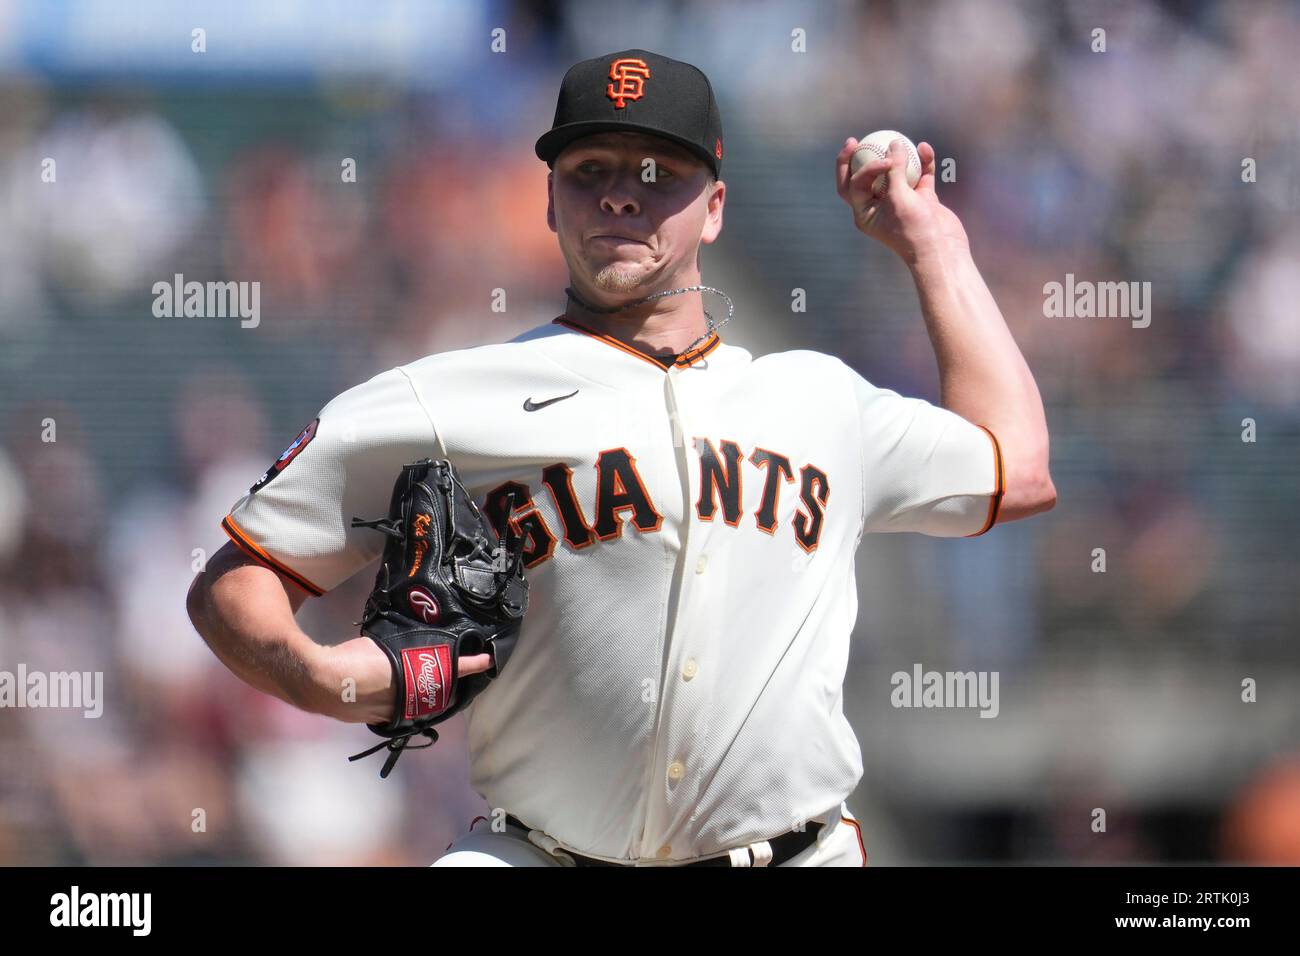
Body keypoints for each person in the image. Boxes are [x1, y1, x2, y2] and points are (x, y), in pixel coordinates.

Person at [186, 48, 1055, 867]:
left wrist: (934, 243)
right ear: (550, 201)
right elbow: (234, 583)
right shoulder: (443, 397)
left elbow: (1016, 469)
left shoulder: (821, 400)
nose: (619, 198)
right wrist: (324, 680)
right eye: (589, 173)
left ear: (715, 207)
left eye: (657, 174)